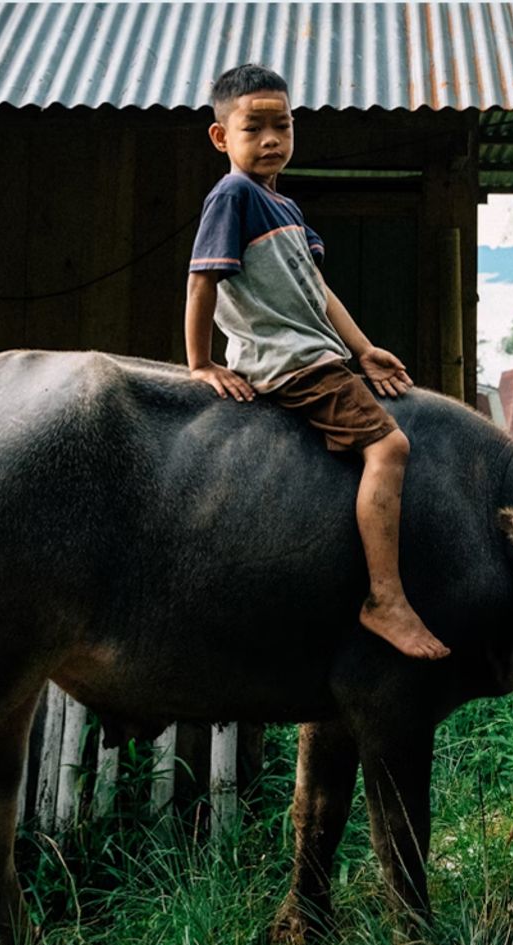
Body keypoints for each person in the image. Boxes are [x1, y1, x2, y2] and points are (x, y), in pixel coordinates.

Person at [185, 63, 448, 660]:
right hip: (290, 362)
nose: (272, 139)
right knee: (391, 447)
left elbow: (319, 292)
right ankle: (385, 596)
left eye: (283, 125)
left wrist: (363, 350)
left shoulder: (289, 210)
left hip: (319, 356)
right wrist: (200, 364)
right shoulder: (232, 197)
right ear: (221, 137)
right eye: (255, 128)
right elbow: (202, 281)